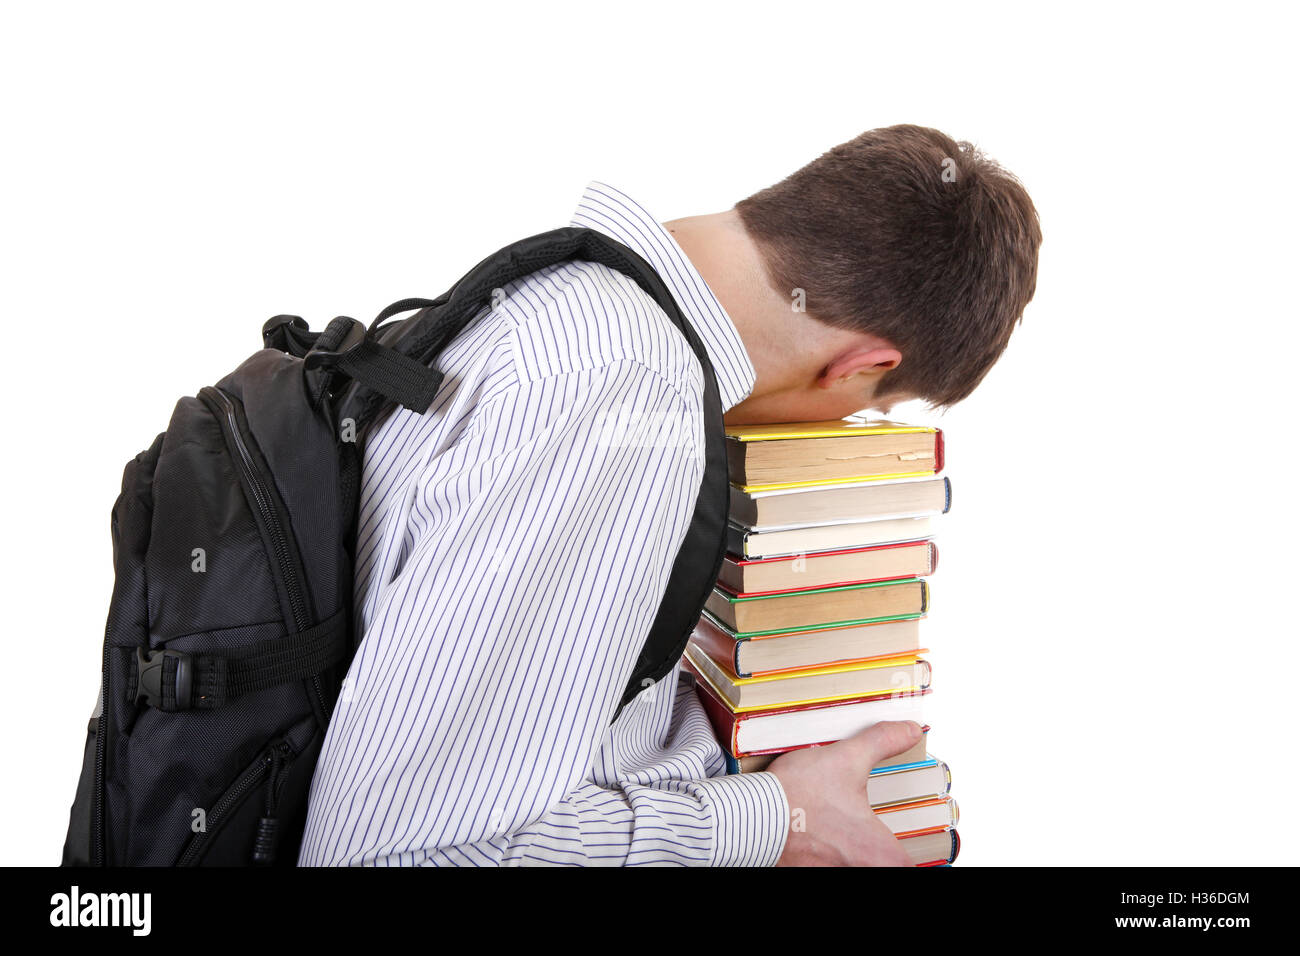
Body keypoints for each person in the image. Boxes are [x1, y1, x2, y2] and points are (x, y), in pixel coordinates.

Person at [297, 124, 1041, 866]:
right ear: (859, 365)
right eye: (874, 407)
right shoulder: (631, 390)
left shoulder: (570, 287)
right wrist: (779, 821)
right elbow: (385, 856)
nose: (853, 421)